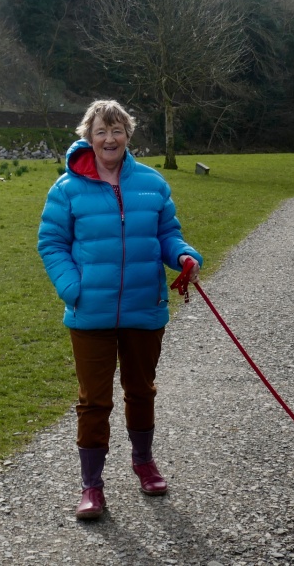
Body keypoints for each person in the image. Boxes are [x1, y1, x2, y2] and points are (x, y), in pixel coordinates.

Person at [37, 99, 202, 520]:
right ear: (88, 137)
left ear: (128, 134)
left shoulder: (152, 183)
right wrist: (74, 288)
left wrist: (183, 255)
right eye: (100, 131)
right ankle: (91, 486)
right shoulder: (67, 188)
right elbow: (51, 243)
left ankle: (144, 462)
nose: (109, 139)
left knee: (141, 391)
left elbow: (167, 233)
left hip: (144, 309)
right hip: (89, 313)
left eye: (117, 130)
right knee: (93, 401)